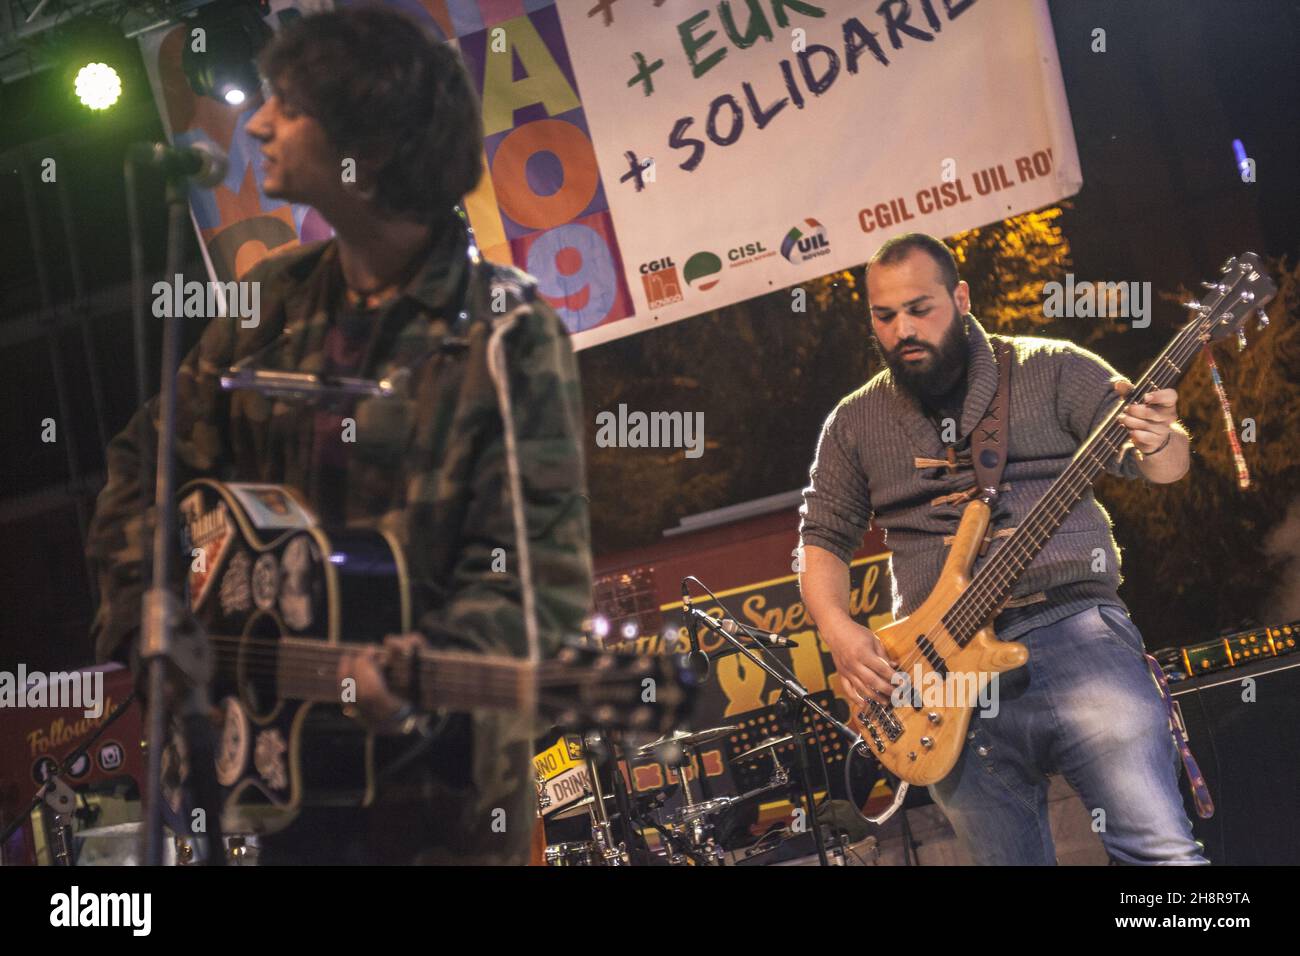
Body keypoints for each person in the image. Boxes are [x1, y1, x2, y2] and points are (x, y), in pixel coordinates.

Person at [85, 5, 592, 864]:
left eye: (287, 102)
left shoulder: (506, 334)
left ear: (371, 141)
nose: (256, 121)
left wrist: (419, 682)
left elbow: (536, 583)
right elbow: (147, 464)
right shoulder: (271, 305)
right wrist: (150, 608)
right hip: (284, 793)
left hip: (440, 809)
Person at [798, 233, 1206, 864]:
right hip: (937, 677)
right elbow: (821, 537)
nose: (902, 328)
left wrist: (1161, 438)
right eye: (884, 316)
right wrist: (837, 628)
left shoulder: (1055, 366)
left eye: (920, 308)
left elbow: (1165, 466)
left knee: (1161, 856)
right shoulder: (853, 422)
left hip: (1074, 629)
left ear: (961, 298)